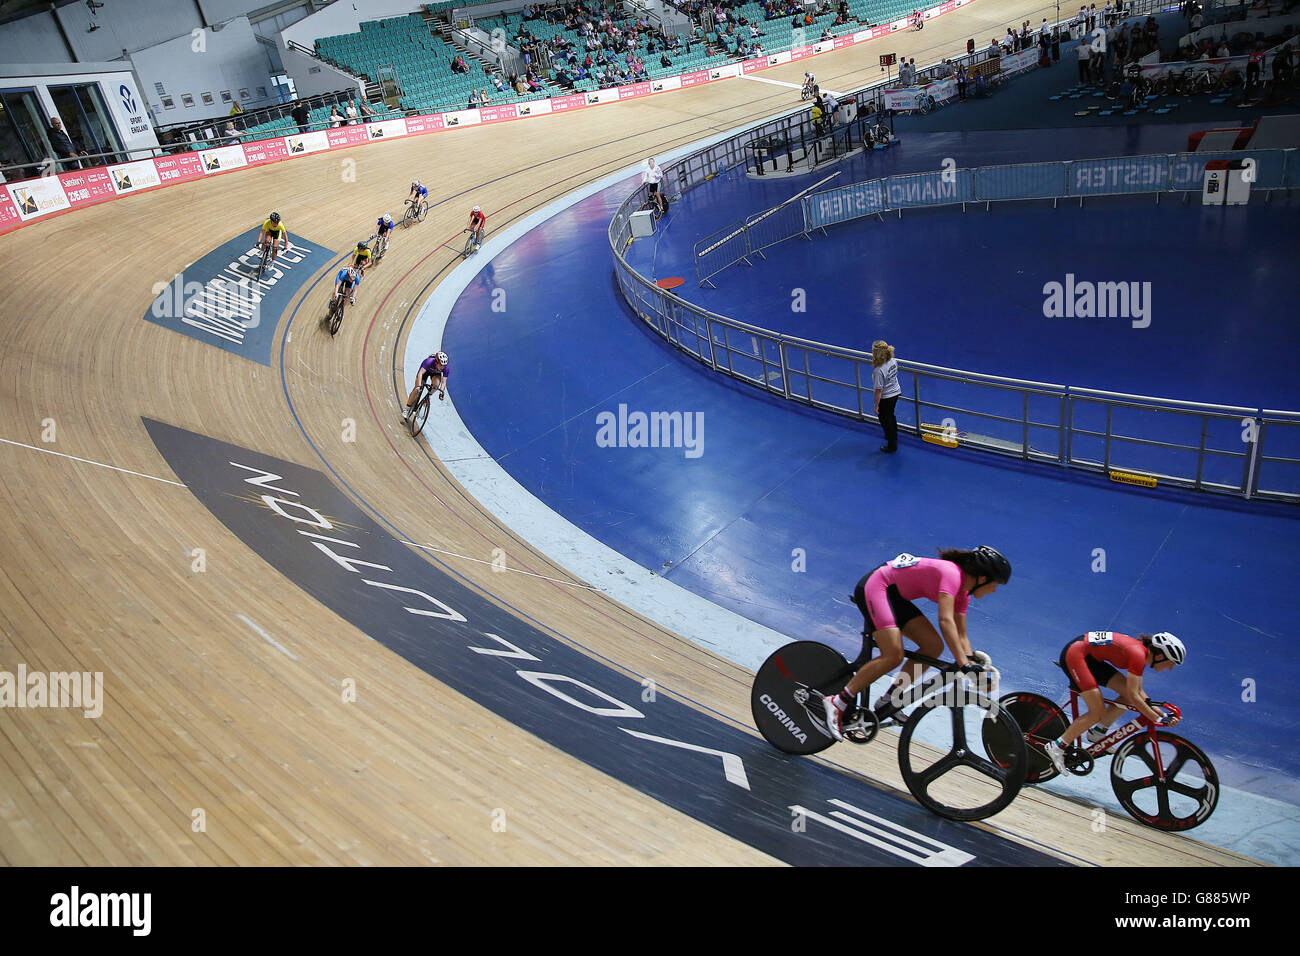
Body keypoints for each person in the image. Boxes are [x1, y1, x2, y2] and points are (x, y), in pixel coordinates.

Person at [823, 547, 1012, 739]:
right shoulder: (952, 574)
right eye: (995, 584)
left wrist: (972, 665)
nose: (994, 589)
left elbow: (961, 634)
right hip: (877, 586)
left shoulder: (964, 594)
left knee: (933, 646)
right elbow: (945, 621)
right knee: (893, 655)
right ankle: (837, 702)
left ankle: (889, 700)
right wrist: (963, 663)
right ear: (982, 578)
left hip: (894, 596)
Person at [1042, 631, 1185, 773]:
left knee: (1128, 698)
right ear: (1160, 656)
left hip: (1090, 658)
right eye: (1171, 663)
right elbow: (1135, 694)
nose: (1171, 668)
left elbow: (1139, 692)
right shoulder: (1138, 654)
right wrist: (1156, 718)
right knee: (1097, 713)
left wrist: (1162, 714)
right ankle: (1057, 746)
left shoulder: (1141, 653)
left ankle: (1097, 733)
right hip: (1075, 655)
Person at [402, 351, 450, 421]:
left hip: (435, 374)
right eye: (441, 365)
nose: (443, 367)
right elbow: (420, 373)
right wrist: (418, 386)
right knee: (417, 390)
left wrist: (441, 393)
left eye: (444, 366)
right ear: (436, 362)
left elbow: (444, 382)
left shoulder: (446, 368)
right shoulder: (428, 362)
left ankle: (428, 397)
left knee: (436, 384)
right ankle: (407, 408)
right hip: (425, 372)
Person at [872, 340, 900, 453]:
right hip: (895, 392)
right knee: (891, 416)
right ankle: (894, 436)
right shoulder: (893, 361)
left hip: (887, 397)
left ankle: (891, 444)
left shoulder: (878, 371)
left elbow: (878, 390)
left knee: (884, 420)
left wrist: (876, 406)